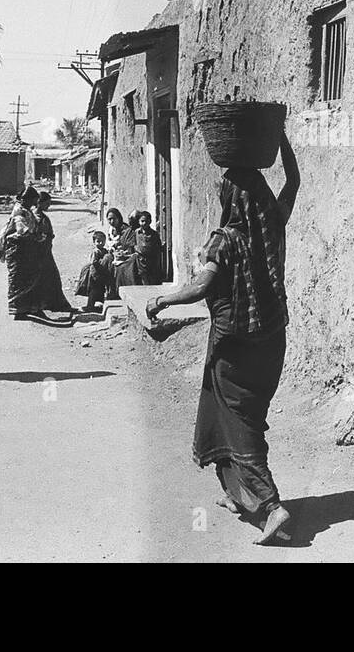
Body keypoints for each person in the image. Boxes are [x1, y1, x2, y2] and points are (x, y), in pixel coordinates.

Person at [148, 131, 300, 545]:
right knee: (231, 415)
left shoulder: (225, 239)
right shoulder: (273, 225)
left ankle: (271, 505)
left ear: (228, 199)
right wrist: (280, 139)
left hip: (233, 346)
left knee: (237, 422)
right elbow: (294, 182)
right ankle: (236, 495)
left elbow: (199, 288)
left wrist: (160, 301)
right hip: (271, 342)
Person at [0, 186, 74, 326]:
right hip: (17, 249)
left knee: (27, 278)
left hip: (24, 249)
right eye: (33, 200)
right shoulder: (19, 211)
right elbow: (23, 231)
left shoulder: (26, 210)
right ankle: (20, 309)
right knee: (19, 279)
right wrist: (38, 237)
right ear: (26, 199)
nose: (35, 203)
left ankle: (26, 309)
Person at [33, 192, 77, 317]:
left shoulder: (41, 217)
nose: (49, 205)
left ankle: (50, 304)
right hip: (40, 254)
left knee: (51, 279)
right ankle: (51, 304)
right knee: (49, 278)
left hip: (46, 252)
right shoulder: (36, 218)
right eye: (47, 203)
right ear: (40, 203)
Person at [75, 230, 113, 311]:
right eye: (98, 241)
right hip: (94, 273)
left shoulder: (104, 250)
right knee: (93, 290)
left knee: (101, 289)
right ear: (94, 242)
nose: (100, 243)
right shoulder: (95, 251)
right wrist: (101, 263)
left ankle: (100, 304)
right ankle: (90, 305)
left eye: (102, 241)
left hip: (101, 274)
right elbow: (93, 262)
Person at [130, 210, 165, 285]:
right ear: (139, 222)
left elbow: (158, 247)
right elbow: (133, 244)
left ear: (150, 221)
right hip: (140, 260)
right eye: (142, 221)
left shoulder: (154, 234)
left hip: (151, 260)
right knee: (142, 278)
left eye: (147, 221)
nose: (144, 223)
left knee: (152, 279)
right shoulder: (136, 233)